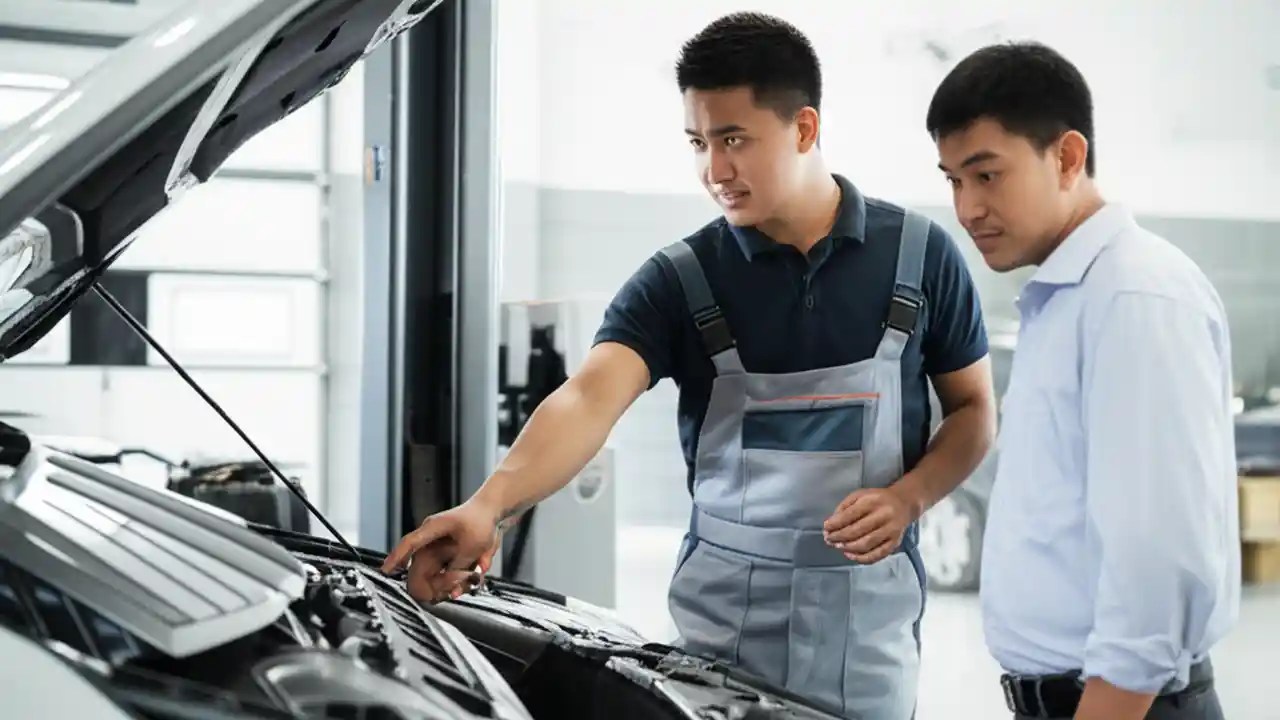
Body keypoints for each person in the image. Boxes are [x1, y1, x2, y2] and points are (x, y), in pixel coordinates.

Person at [383, 12, 997, 719]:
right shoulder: (680, 280)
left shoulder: (921, 258)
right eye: (698, 143)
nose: (714, 171)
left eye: (734, 139)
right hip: (716, 655)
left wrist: (909, 498)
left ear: (803, 129)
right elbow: (588, 398)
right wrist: (488, 506)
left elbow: (974, 411)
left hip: (868, 654)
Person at [926, 41, 1239, 720]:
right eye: (953, 181)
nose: (967, 208)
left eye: (986, 175)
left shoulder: (1134, 296)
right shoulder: (1068, 296)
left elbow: (1156, 563)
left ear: (1067, 157)